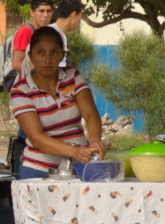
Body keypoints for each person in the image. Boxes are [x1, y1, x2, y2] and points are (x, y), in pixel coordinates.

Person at [8, 26, 106, 178]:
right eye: (40, 52)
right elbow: (36, 138)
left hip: (77, 167)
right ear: (30, 56)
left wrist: (94, 141)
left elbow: (90, 113)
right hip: (37, 169)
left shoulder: (73, 76)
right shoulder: (21, 90)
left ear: (61, 55)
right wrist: (74, 151)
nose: (47, 59)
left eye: (54, 52)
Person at [2, 0, 54, 90]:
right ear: (32, 13)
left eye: (48, 11)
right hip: (26, 90)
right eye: (41, 11)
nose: (45, 15)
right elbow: (16, 64)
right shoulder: (25, 32)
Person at [51, 0, 84, 68]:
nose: (79, 22)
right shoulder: (53, 34)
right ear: (73, 14)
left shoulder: (59, 34)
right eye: (80, 17)